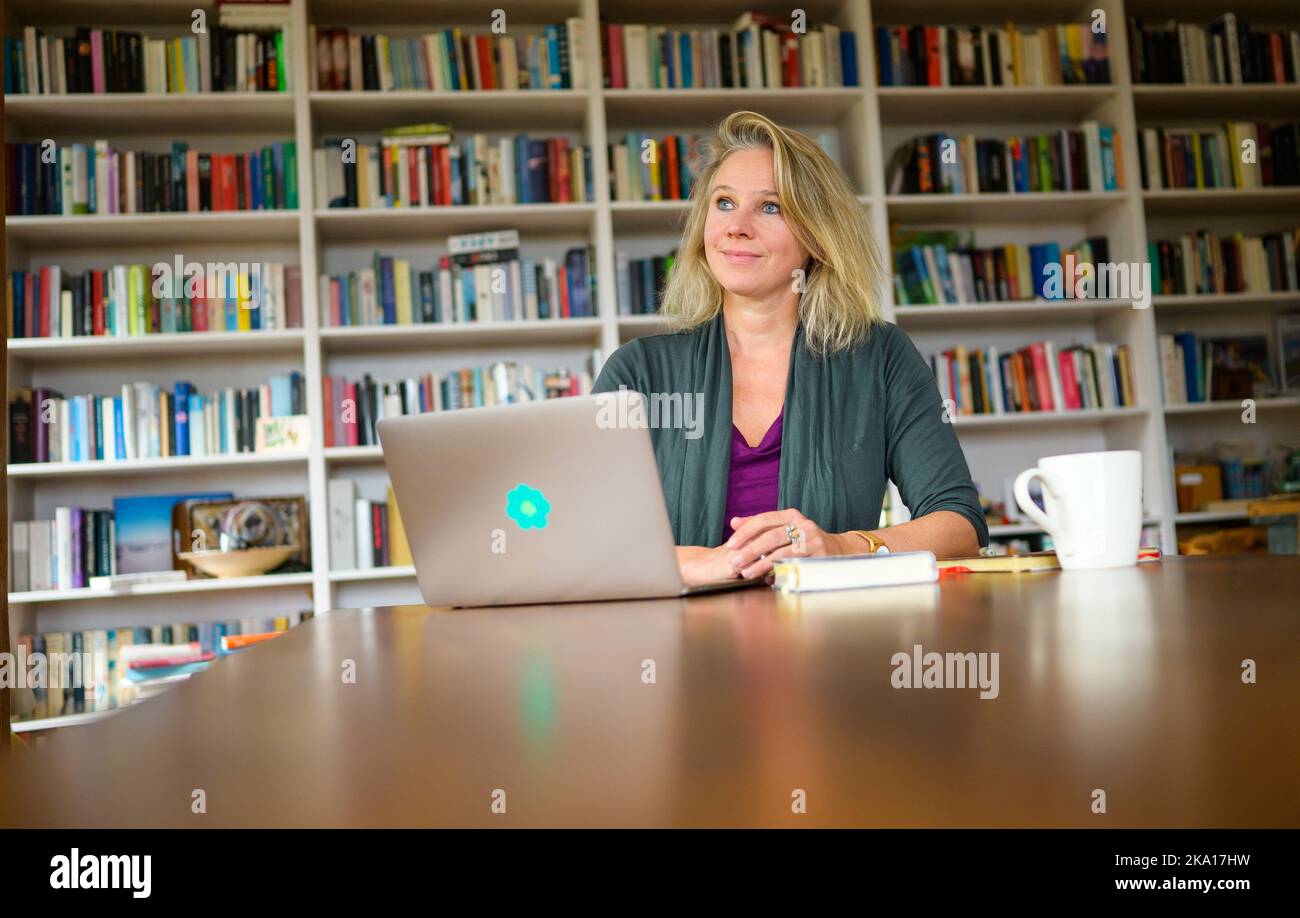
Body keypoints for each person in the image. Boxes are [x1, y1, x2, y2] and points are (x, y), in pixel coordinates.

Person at [593, 111, 987, 587]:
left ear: (817, 237)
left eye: (770, 207)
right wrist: (700, 565)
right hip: (677, 644)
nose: (736, 227)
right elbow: (587, 541)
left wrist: (843, 547)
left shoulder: (880, 355)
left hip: (831, 638)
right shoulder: (638, 372)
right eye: (723, 203)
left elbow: (960, 523)